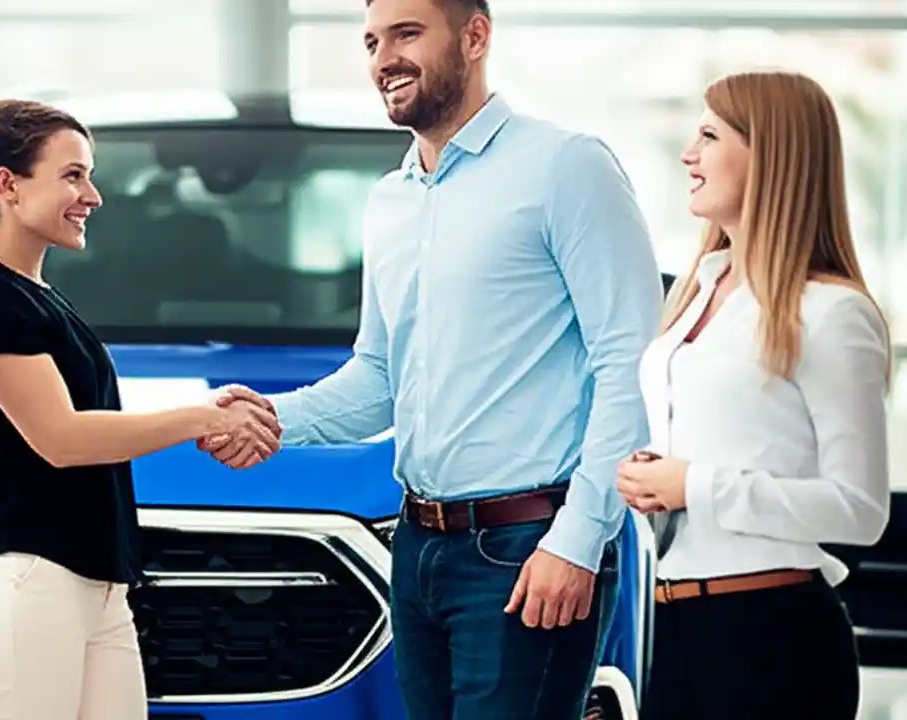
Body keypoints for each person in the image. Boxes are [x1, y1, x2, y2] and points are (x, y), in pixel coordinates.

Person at [202, 0, 663, 717]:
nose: (384, 58)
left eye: (407, 34)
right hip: (416, 548)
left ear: (475, 36)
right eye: (372, 41)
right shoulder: (392, 200)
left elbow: (628, 362)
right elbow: (378, 378)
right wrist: (265, 419)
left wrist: (576, 539)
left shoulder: (566, 167)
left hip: (525, 546)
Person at [0, 99, 281, 720]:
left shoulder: (37, 295)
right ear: (8, 185)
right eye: (73, 175)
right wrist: (205, 416)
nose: (94, 196)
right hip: (31, 584)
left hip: (96, 585)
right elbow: (62, 438)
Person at [616, 70, 891, 720]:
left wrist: (696, 486)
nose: (689, 153)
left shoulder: (829, 313)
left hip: (772, 638)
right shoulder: (695, 295)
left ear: (770, 154)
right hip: (672, 628)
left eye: (709, 135)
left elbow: (860, 511)